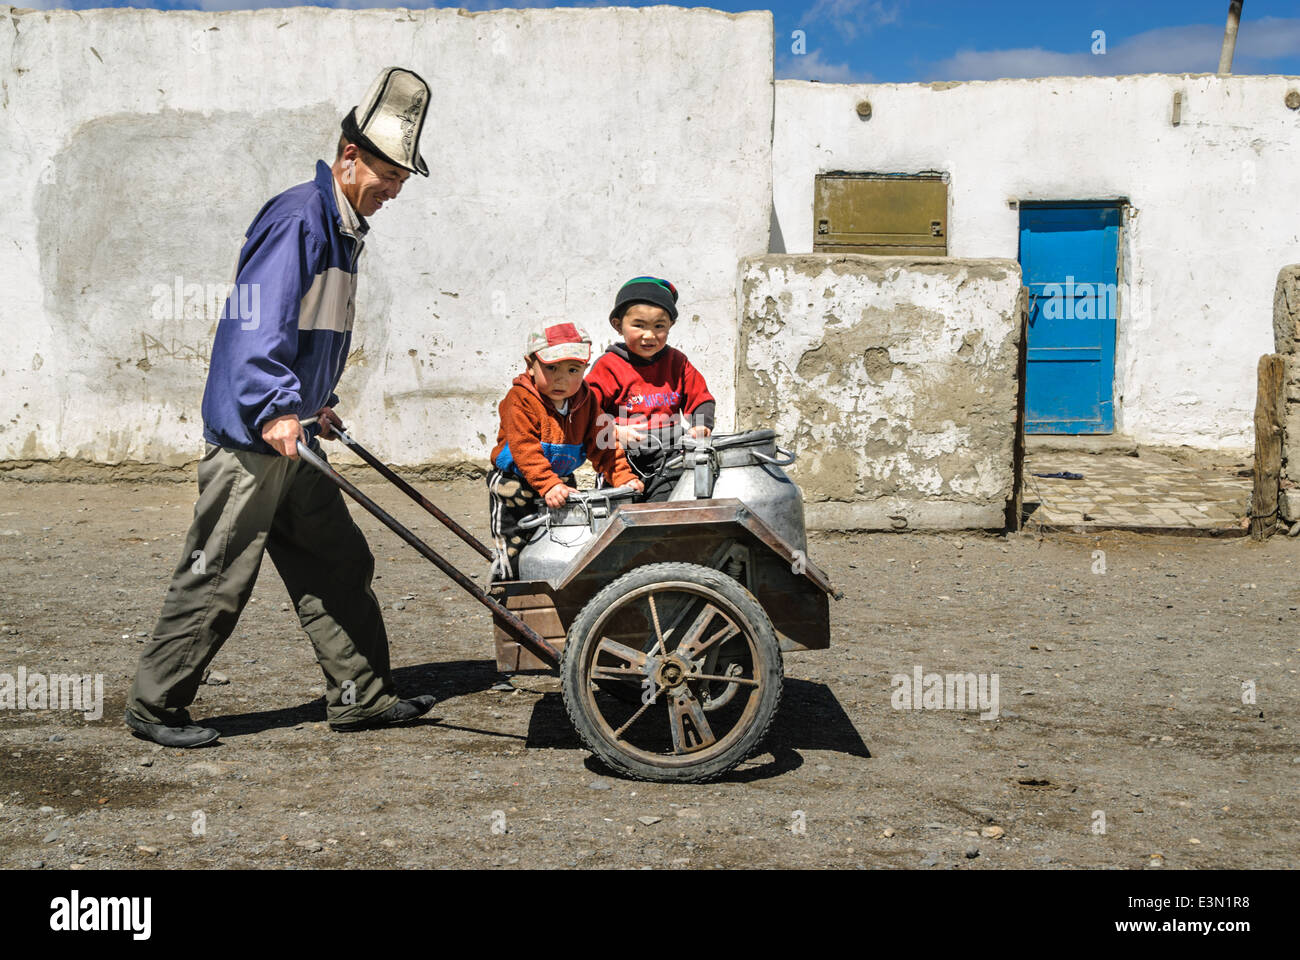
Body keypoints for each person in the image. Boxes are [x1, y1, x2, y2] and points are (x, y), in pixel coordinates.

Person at [125, 67, 436, 748]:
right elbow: (255, 324)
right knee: (218, 575)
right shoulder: (299, 217)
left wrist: (313, 404)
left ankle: (359, 696)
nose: (392, 192)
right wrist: (272, 406)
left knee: (337, 562)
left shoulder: (342, 228)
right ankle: (155, 707)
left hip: (294, 434)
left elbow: (306, 330)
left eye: (402, 183)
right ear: (349, 157)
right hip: (252, 439)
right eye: (387, 176)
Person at [487, 322, 643, 581]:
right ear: (530, 364)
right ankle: (508, 596)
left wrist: (623, 476)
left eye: (573, 370)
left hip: (560, 481)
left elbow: (603, 443)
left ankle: (561, 594)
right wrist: (547, 485)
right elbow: (524, 447)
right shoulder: (520, 399)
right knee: (515, 546)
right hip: (515, 482)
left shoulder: (587, 399)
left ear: (585, 368)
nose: (562, 379)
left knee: (563, 541)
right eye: (551, 368)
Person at [584, 277, 716, 501]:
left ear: (670, 326)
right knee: (621, 516)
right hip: (621, 458)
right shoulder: (609, 366)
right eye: (639, 325)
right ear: (618, 325)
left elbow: (700, 397)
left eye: (659, 326)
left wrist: (701, 426)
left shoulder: (677, 362)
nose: (649, 335)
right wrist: (614, 430)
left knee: (666, 511)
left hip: (671, 458)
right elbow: (586, 409)